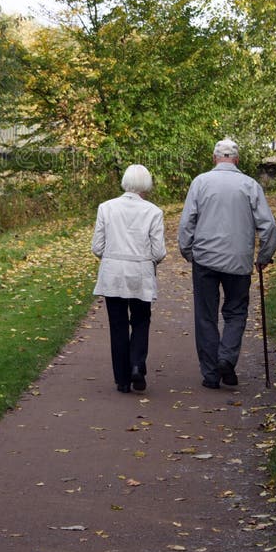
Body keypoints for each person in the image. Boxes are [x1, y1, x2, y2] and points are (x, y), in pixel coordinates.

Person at [178, 138, 276, 389]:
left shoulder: (200, 182)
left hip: (205, 259)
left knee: (206, 316)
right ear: (237, 159)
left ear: (214, 158)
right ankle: (227, 358)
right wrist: (263, 256)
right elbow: (269, 226)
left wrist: (188, 250)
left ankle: (211, 374)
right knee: (236, 312)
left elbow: (187, 221)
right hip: (238, 261)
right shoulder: (250, 185)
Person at [92, 164, 166, 393]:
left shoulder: (106, 208)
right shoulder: (153, 212)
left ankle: (122, 379)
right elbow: (159, 252)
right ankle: (137, 364)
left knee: (118, 325)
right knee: (141, 320)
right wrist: (146, 260)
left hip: (113, 273)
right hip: (140, 273)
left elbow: (97, 247)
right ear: (146, 184)